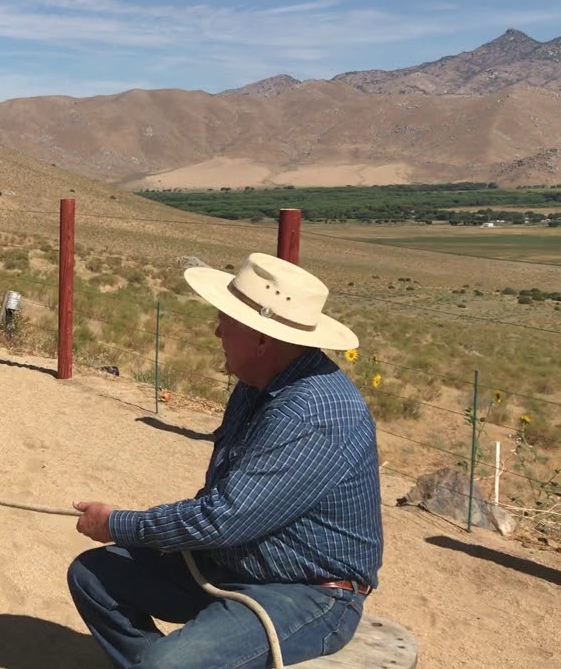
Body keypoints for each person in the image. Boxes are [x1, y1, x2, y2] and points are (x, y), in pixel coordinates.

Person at [67, 252, 384, 669]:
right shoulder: (257, 385)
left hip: (308, 592)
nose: (217, 331)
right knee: (93, 577)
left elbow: (223, 518)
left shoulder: (310, 413)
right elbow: (223, 506)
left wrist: (117, 524)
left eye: (226, 323)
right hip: (233, 562)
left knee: (166, 666)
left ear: (261, 339)